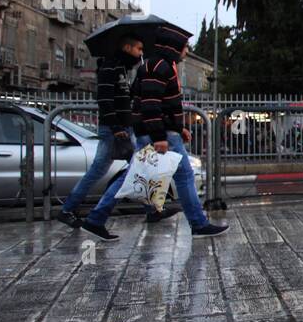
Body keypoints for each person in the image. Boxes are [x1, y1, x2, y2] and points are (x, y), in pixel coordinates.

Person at [82, 26, 228, 241]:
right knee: (184, 176)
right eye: (184, 47)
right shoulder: (159, 67)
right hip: (159, 134)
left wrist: (179, 128)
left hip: (162, 132)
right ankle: (198, 224)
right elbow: (150, 105)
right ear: (173, 47)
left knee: (133, 175)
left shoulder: (159, 65)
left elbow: (159, 104)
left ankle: (96, 219)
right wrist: (160, 136)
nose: (186, 51)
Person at [59, 33, 146, 227]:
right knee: (133, 167)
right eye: (138, 49)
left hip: (123, 126)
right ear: (127, 48)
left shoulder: (122, 68)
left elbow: (125, 95)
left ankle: (68, 209)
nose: (141, 53)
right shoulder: (109, 67)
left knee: (116, 168)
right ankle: (76, 210)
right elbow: (105, 100)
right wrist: (115, 127)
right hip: (115, 129)